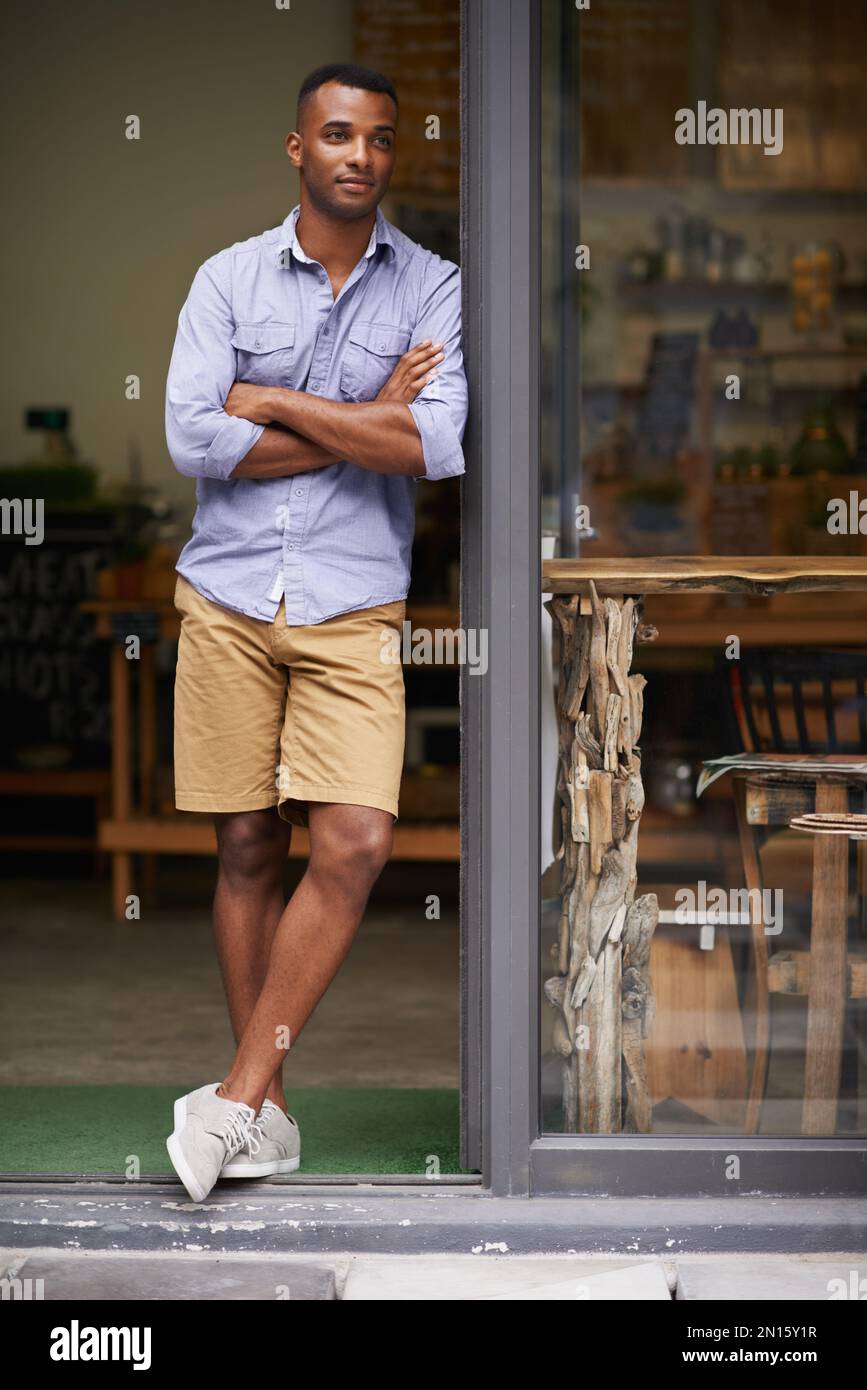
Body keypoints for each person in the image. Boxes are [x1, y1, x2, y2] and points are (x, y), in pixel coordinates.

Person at [163, 62, 468, 1202]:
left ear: (393, 155)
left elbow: (430, 445)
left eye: (380, 140)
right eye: (338, 135)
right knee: (247, 844)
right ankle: (271, 1108)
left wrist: (277, 400)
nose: (360, 155)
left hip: (355, 602)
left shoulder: (431, 287)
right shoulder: (226, 279)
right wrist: (365, 408)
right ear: (298, 148)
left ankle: (238, 1097)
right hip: (230, 596)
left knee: (353, 842)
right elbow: (196, 441)